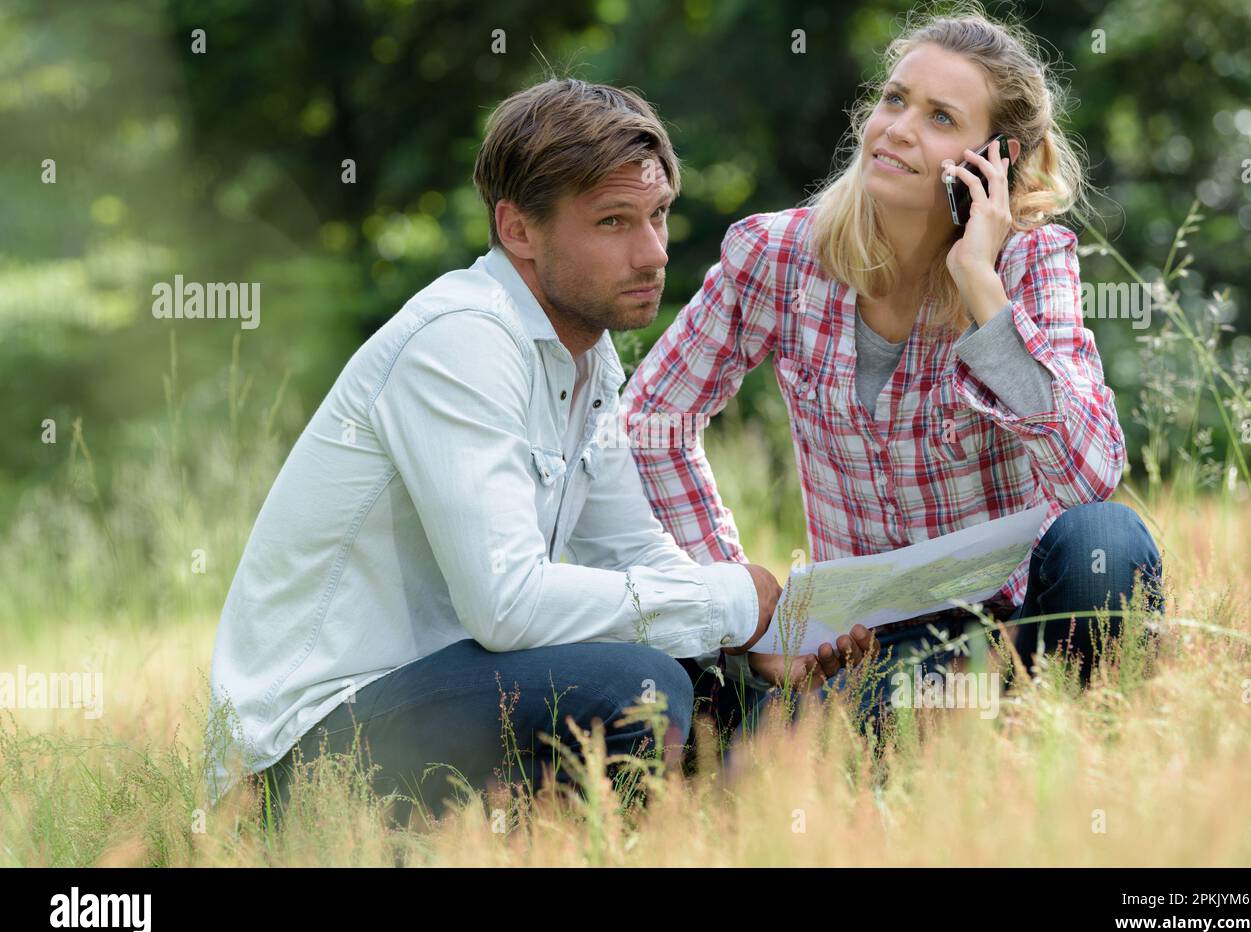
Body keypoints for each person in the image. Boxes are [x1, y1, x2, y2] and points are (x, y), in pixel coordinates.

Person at [204, 79, 875, 825]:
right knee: (641, 685)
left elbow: (633, 549)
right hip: (308, 750)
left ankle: (639, 826)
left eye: (658, 216)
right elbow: (508, 603)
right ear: (518, 229)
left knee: (728, 684)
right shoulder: (462, 342)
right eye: (614, 222)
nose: (653, 253)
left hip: (444, 699)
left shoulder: (587, 358)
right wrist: (729, 599)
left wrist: (752, 640)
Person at [621, 10, 1164, 723]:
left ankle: (1060, 728)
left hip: (1019, 616)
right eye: (895, 99)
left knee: (1109, 539)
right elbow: (650, 421)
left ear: (994, 162)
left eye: (941, 117)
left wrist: (984, 293)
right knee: (834, 722)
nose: (899, 128)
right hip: (870, 645)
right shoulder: (776, 256)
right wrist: (743, 602)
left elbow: (1091, 474)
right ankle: (979, 723)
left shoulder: (1031, 262)